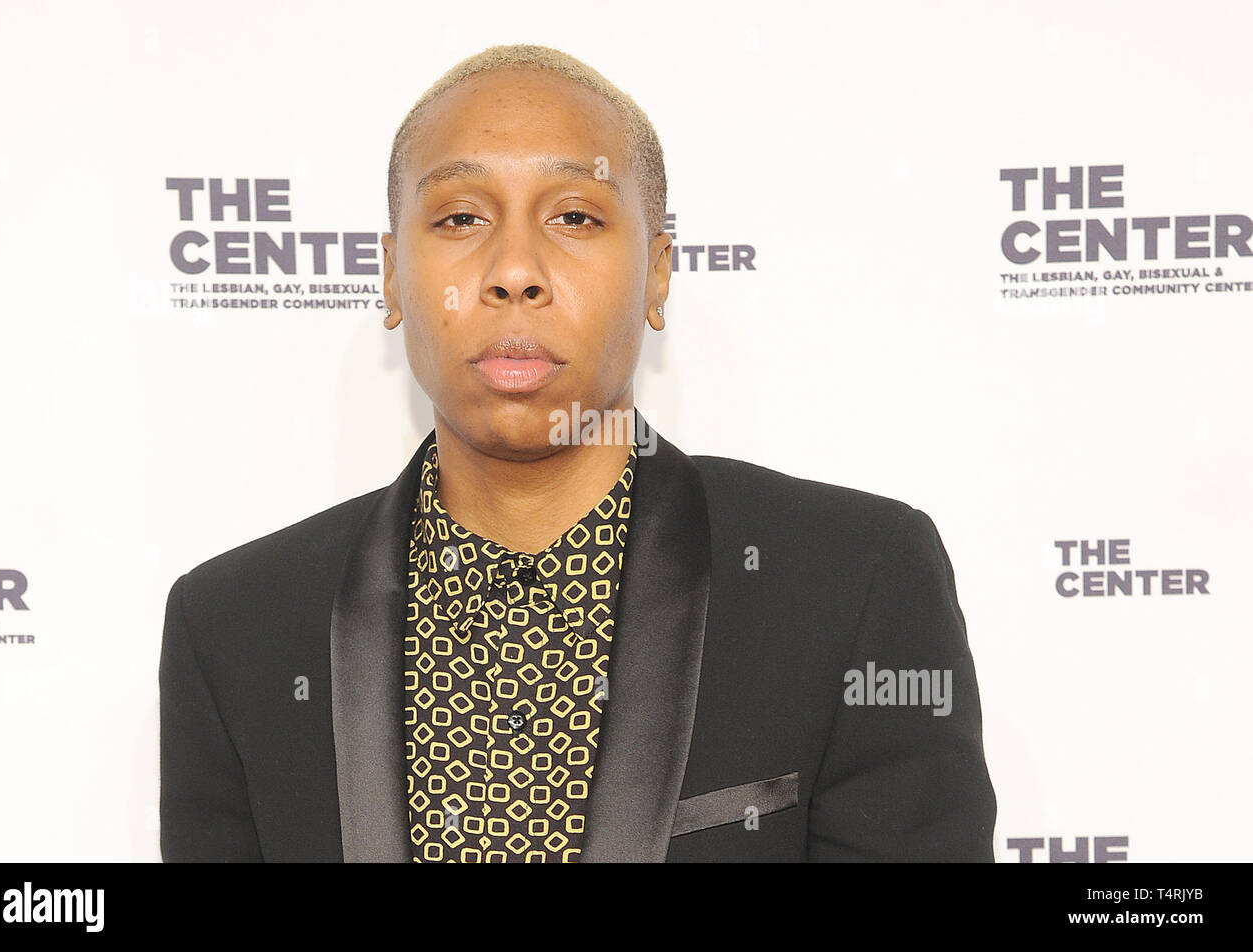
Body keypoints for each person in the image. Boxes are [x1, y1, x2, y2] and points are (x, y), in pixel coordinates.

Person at [159, 43, 996, 862]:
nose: (515, 270)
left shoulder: (853, 581)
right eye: (460, 217)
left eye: (574, 217)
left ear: (658, 273)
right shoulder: (235, 628)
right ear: (389, 275)